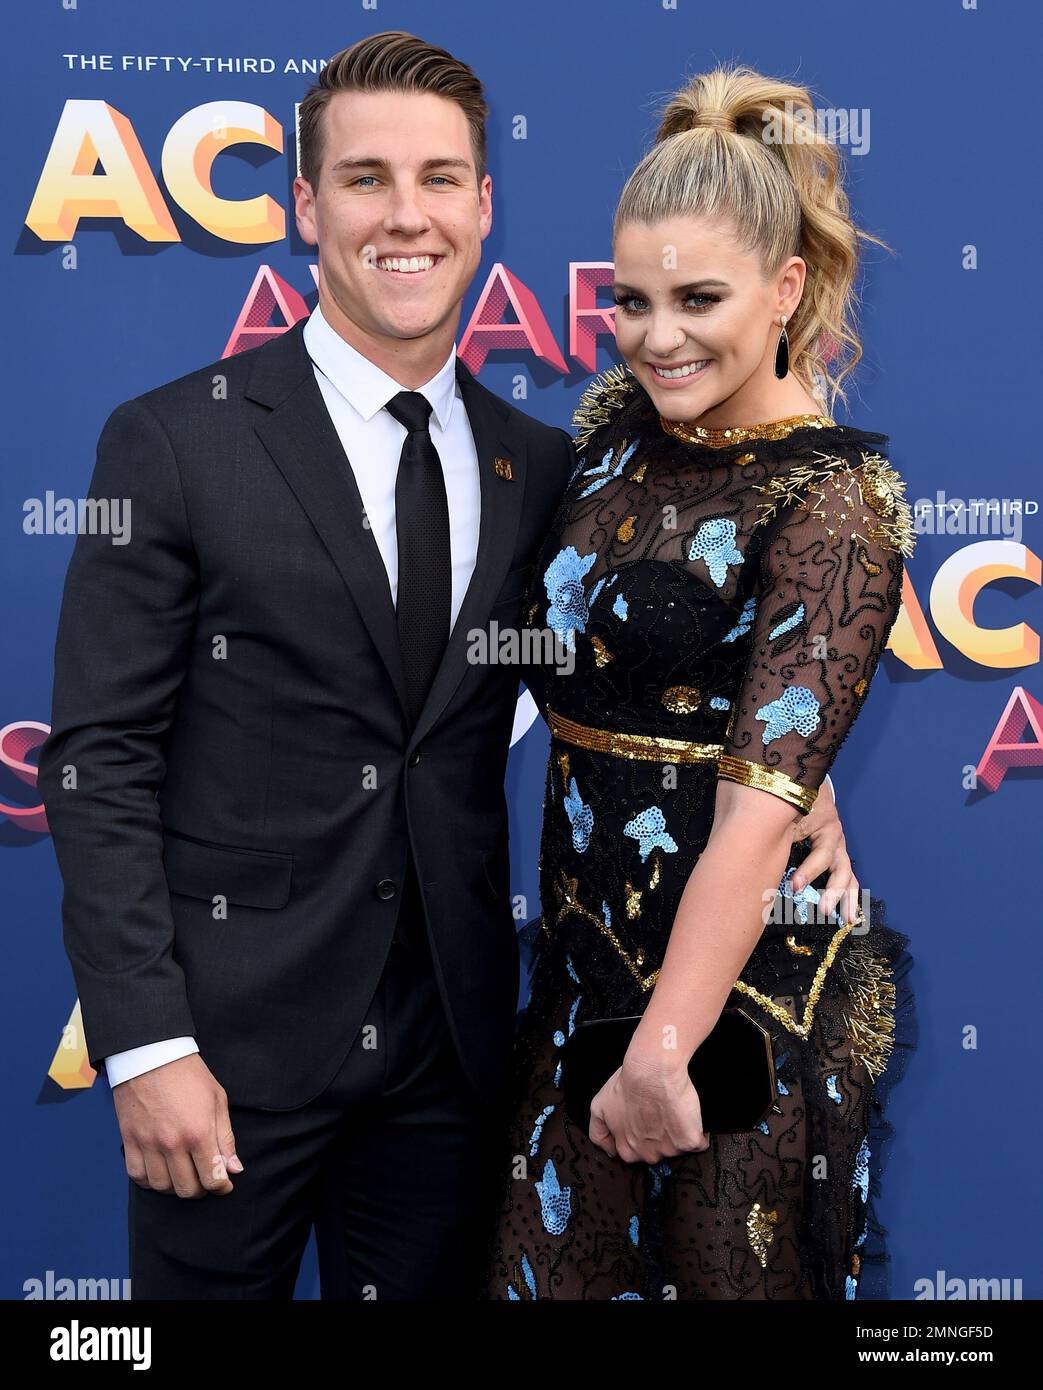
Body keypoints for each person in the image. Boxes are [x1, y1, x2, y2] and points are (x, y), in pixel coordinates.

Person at [38, 32, 852, 1301]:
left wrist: (805, 781)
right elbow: (98, 760)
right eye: (364, 179)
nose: (404, 216)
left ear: (485, 204)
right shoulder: (171, 443)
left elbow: (669, 643)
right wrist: (146, 1044)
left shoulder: (549, 465)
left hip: (456, 1066)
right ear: (303, 205)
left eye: (438, 179)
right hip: (224, 1061)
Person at [487, 63, 917, 1301]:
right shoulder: (615, 429)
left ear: (785, 289)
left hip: (734, 1012)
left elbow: (747, 814)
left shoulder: (831, 506)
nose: (655, 335)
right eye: (630, 300)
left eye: (697, 299)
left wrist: (664, 1048)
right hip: (580, 978)